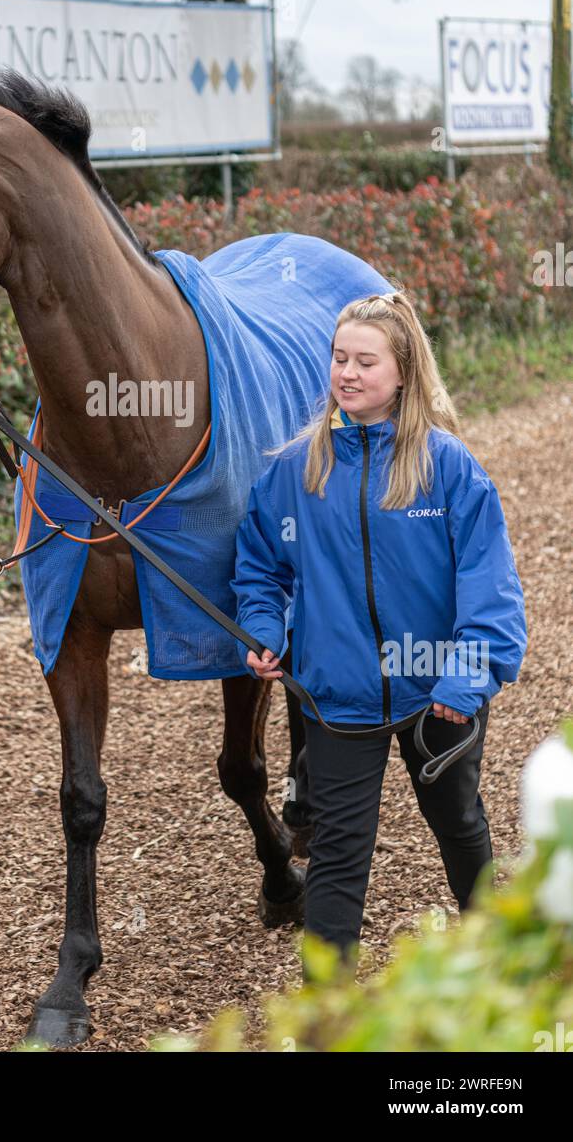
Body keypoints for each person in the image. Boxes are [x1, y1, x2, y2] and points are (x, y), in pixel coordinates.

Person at [229, 289, 527, 982]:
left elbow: (491, 582)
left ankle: (500, 972)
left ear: (402, 374)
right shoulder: (298, 469)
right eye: (340, 358)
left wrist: (466, 675)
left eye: (366, 361)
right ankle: (327, 1009)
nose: (348, 373)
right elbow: (258, 565)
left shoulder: (446, 466)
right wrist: (266, 627)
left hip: (438, 693)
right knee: (336, 852)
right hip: (339, 694)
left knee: (459, 825)